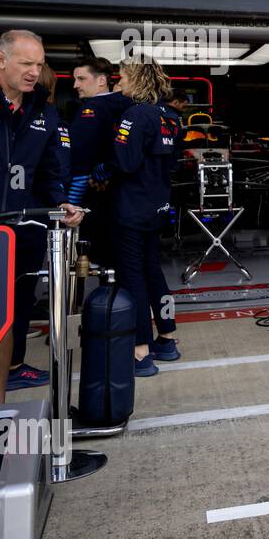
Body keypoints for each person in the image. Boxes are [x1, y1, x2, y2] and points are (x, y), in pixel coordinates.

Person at [0, 30, 83, 404]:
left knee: (1, 322)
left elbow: (50, 173)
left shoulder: (43, 111)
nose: (35, 71)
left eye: (39, 64)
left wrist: (62, 203)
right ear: (1, 61)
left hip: (14, 235)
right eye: (26, 63)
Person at [106, 58, 182, 376]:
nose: (117, 81)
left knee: (132, 277)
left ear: (135, 79)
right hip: (158, 206)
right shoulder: (170, 116)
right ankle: (166, 338)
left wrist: (101, 167)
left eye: (121, 76)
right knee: (154, 272)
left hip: (133, 208)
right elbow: (173, 163)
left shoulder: (134, 114)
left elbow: (124, 162)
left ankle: (140, 352)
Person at [68, 57, 130, 266]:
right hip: (126, 192)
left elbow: (78, 154)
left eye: (81, 79)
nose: (76, 85)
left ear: (101, 80)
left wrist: (71, 198)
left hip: (93, 192)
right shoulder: (129, 105)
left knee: (87, 259)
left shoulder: (92, 108)